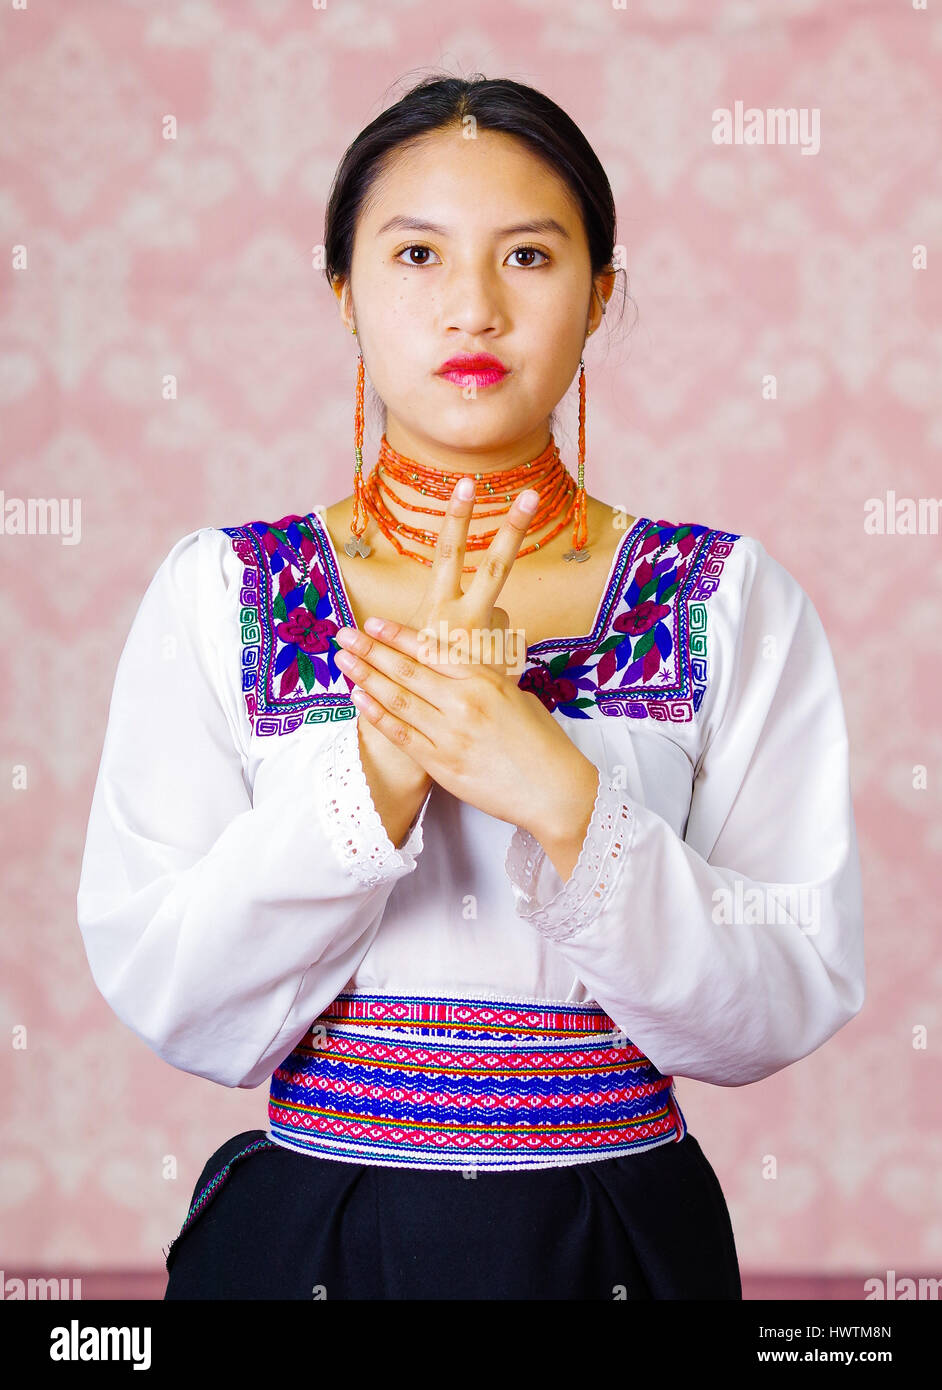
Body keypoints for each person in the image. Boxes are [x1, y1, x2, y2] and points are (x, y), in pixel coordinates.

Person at [76, 74, 865, 1301]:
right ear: (342, 290)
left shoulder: (725, 598)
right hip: (314, 1239)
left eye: (531, 256)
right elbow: (177, 998)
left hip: (618, 1238)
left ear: (602, 294)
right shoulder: (226, 591)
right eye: (416, 254)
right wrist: (383, 767)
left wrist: (565, 798)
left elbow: (779, 1000)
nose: (474, 308)